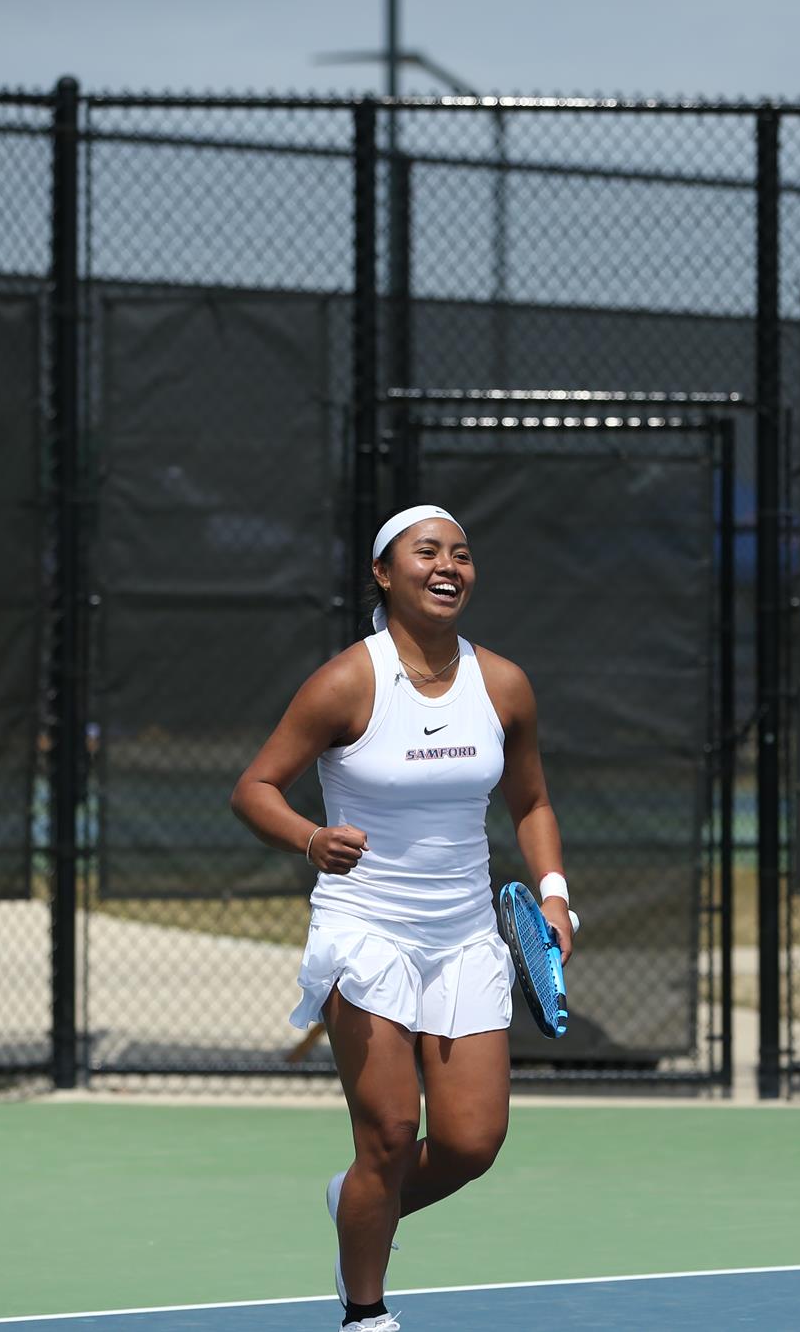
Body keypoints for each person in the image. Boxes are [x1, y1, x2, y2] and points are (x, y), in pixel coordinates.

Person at [230, 504, 575, 1332]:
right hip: (367, 928)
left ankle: (357, 1203)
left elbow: (530, 801)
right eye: (428, 553)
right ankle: (366, 1313)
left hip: (464, 935)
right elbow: (253, 788)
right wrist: (312, 837)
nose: (448, 565)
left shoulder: (502, 684)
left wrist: (557, 894)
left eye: (461, 553)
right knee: (388, 1132)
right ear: (386, 573)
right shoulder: (349, 680)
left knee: (469, 1143)